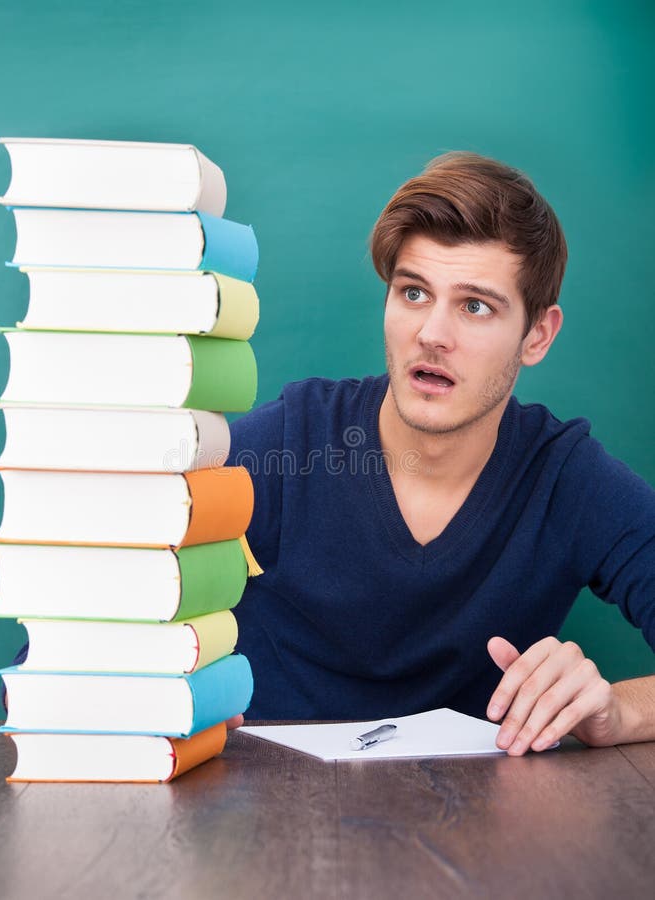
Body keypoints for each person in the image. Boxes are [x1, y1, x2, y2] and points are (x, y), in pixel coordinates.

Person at [225, 151, 655, 755]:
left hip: (478, 830)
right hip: (269, 819)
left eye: (475, 306)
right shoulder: (288, 444)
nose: (431, 333)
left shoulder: (566, 478)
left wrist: (621, 711)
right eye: (413, 292)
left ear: (538, 334)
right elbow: (93, 593)